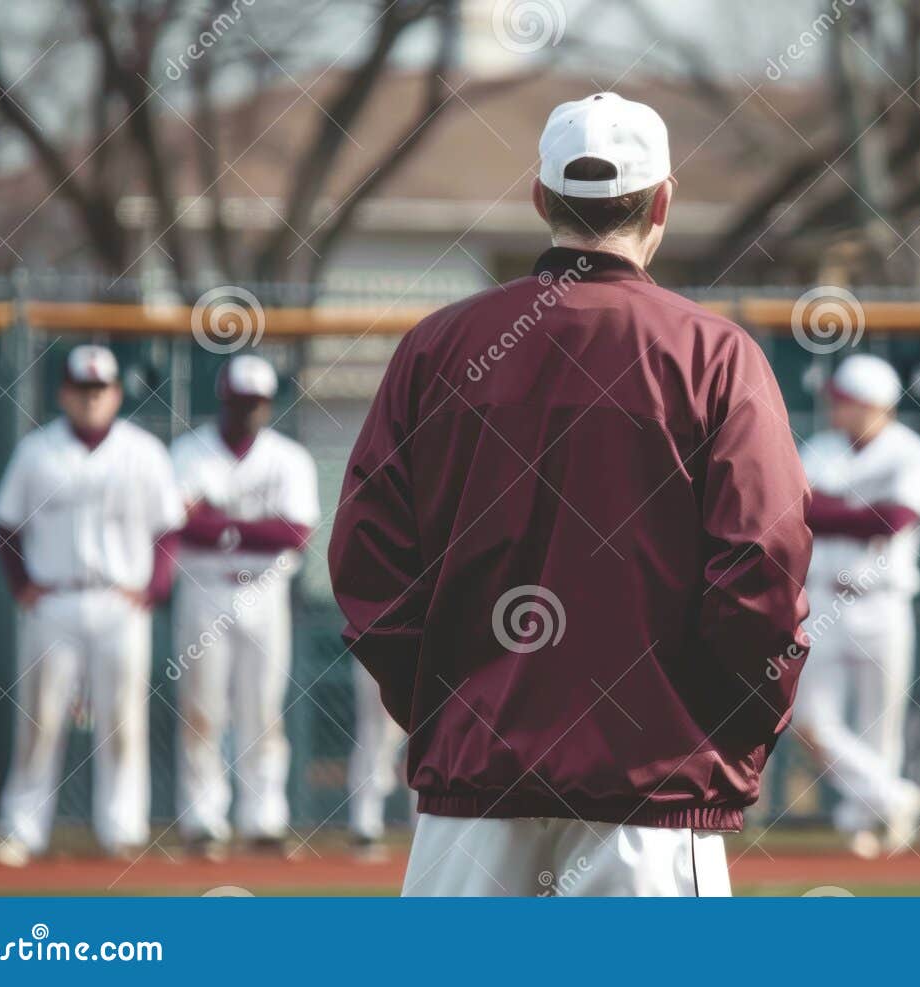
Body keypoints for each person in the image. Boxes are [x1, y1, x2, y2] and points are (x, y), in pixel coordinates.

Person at [328, 92, 811, 897]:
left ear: (541, 197)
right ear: (663, 201)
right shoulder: (715, 355)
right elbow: (762, 567)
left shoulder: (435, 348)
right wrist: (719, 728)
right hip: (651, 797)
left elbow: (369, 561)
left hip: (474, 794)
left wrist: (451, 706)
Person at [0, 345, 184, 867]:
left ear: (117, 393)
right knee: (41, 718)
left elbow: (168, 529)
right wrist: (22, 585)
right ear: (64, 394)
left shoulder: (143, 450)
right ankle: (23, 828)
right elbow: (4, 523)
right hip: (56, 598)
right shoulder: (38, 450)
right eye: (82, 389)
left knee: (122, 720)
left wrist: (154, 588)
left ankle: (122, 827)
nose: (91, 398)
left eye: (100, 389)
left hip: (120, 600)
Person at [170, 355, 319, 858]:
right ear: (223, 400)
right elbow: (177, 524)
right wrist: (255, 530)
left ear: (268, 405)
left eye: (257, 403)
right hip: (205, 587)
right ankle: (203, 819)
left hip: (265, 590)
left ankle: (264, 818)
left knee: (262, 708)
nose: (248, 412)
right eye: (240, 402)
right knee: (203, 708)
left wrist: (221, 524)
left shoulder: (289, 457)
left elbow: (296, 532)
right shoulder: (189, 452)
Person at [796, 354, 920, 858]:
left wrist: (839, 510)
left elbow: (895, 519)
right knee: (808, 719)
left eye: (847, 401)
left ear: (875, 406)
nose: (837, 407)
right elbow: (802, 511)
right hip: (826, 597)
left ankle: (870, 825)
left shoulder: (910, 451)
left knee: (882, 725)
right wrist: (855, 512)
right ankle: (894, 797)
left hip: (884, 600)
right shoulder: (823, 447)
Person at [348, 663, 418, 858]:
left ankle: (428, 825)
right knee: (378, 730)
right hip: (387, 636)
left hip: (435, 642)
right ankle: (365, 827)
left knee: (433, 727)